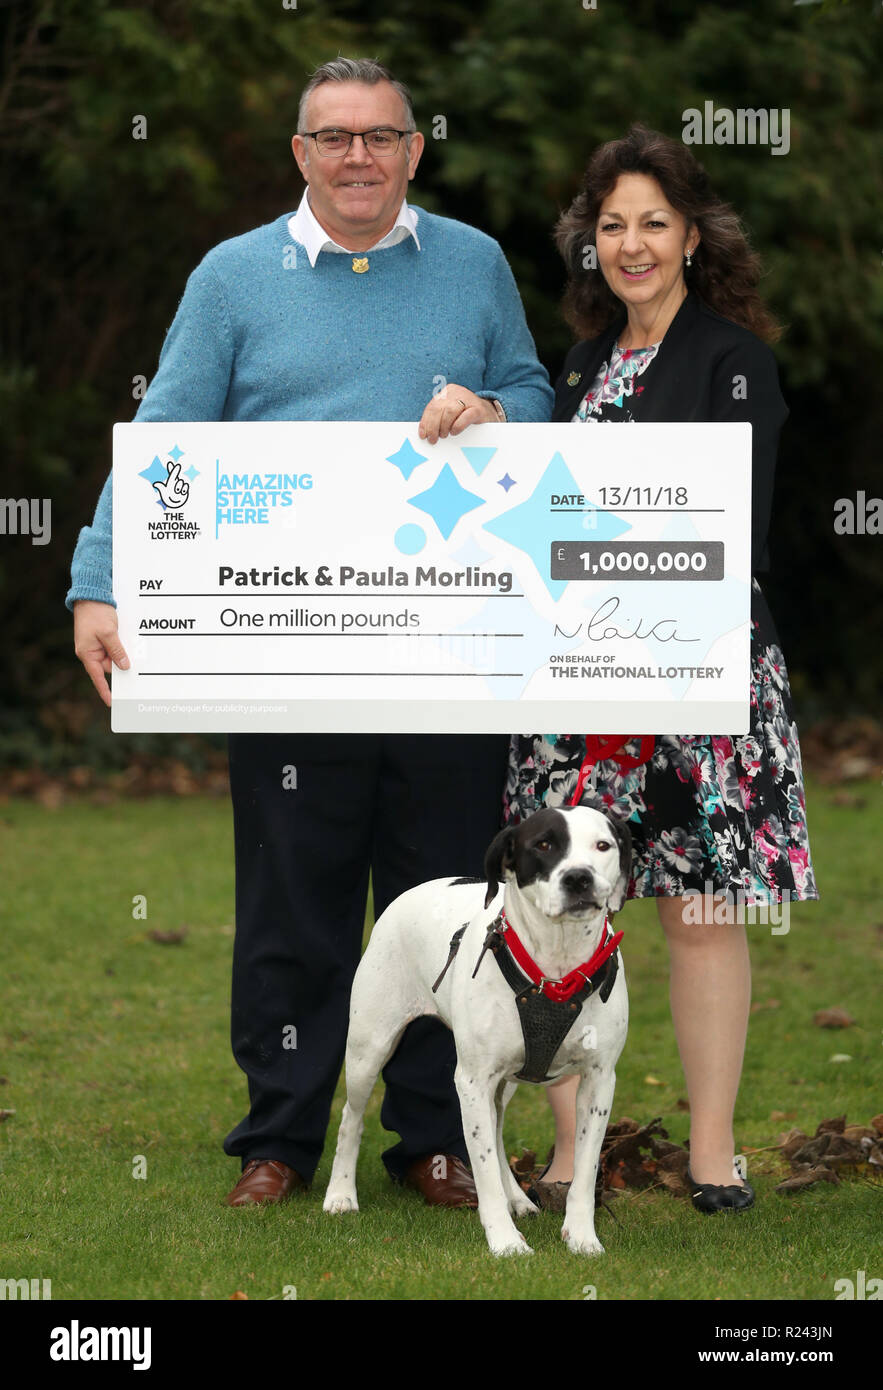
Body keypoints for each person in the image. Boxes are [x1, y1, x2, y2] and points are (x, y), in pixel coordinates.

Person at [67, 57, 553, 1208]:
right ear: (300, 154)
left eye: (381, 137)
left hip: (449, 647)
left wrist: (494, 410)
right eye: (334, 138)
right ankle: (278, 1137)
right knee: (295, 897)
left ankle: (437, 1137)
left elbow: (538, 394)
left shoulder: (475, 265)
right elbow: (165, 439)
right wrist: (101, 578)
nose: (358, 158)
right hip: (287, 648)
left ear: (413, 151)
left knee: (445, 901)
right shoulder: (235, 277)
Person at [505, 124, 818, 1213]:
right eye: (609, 225)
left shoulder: (735, 358)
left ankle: (714, 1154)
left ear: (692, 233)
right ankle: (560, 1155)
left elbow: (735, 524)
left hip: (699, 666)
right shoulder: (580, 363)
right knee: (555, 904)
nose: (630, 244)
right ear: (588, 244)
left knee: (698, 909)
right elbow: (532, 510)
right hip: (575, 669)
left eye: (652, 222)